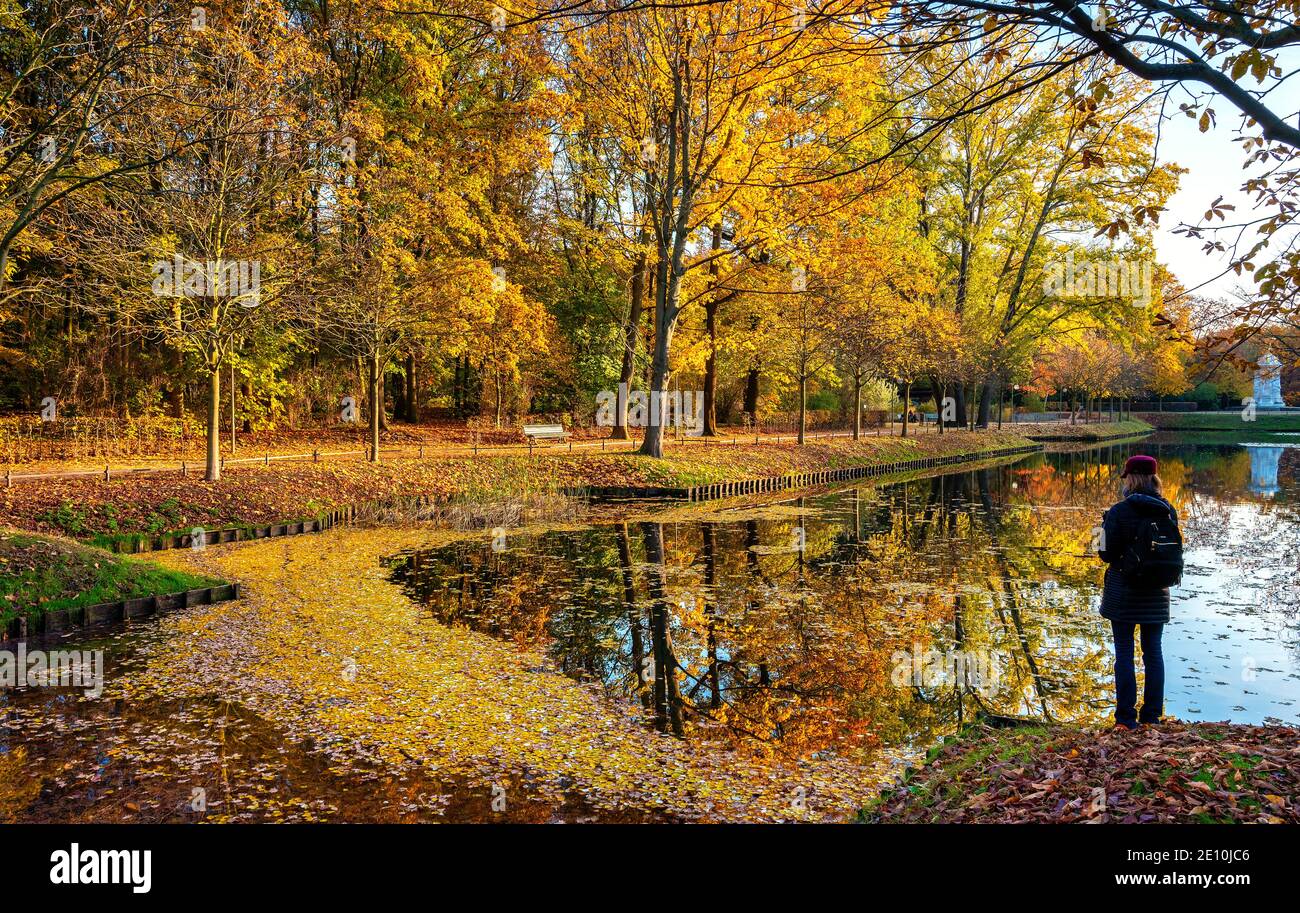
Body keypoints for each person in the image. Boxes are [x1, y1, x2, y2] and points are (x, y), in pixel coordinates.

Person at [1097, 454, 1181, 730]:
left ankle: (1125, 719)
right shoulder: (1168, 510)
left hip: (1124, 591)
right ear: (1155, 479)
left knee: (1124, 651)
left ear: (1130, 479)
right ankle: (1152, 716)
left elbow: (1105, 554)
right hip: (1157, 593)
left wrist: (1101, 528)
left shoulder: (1119, 512)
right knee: (1153, 652)